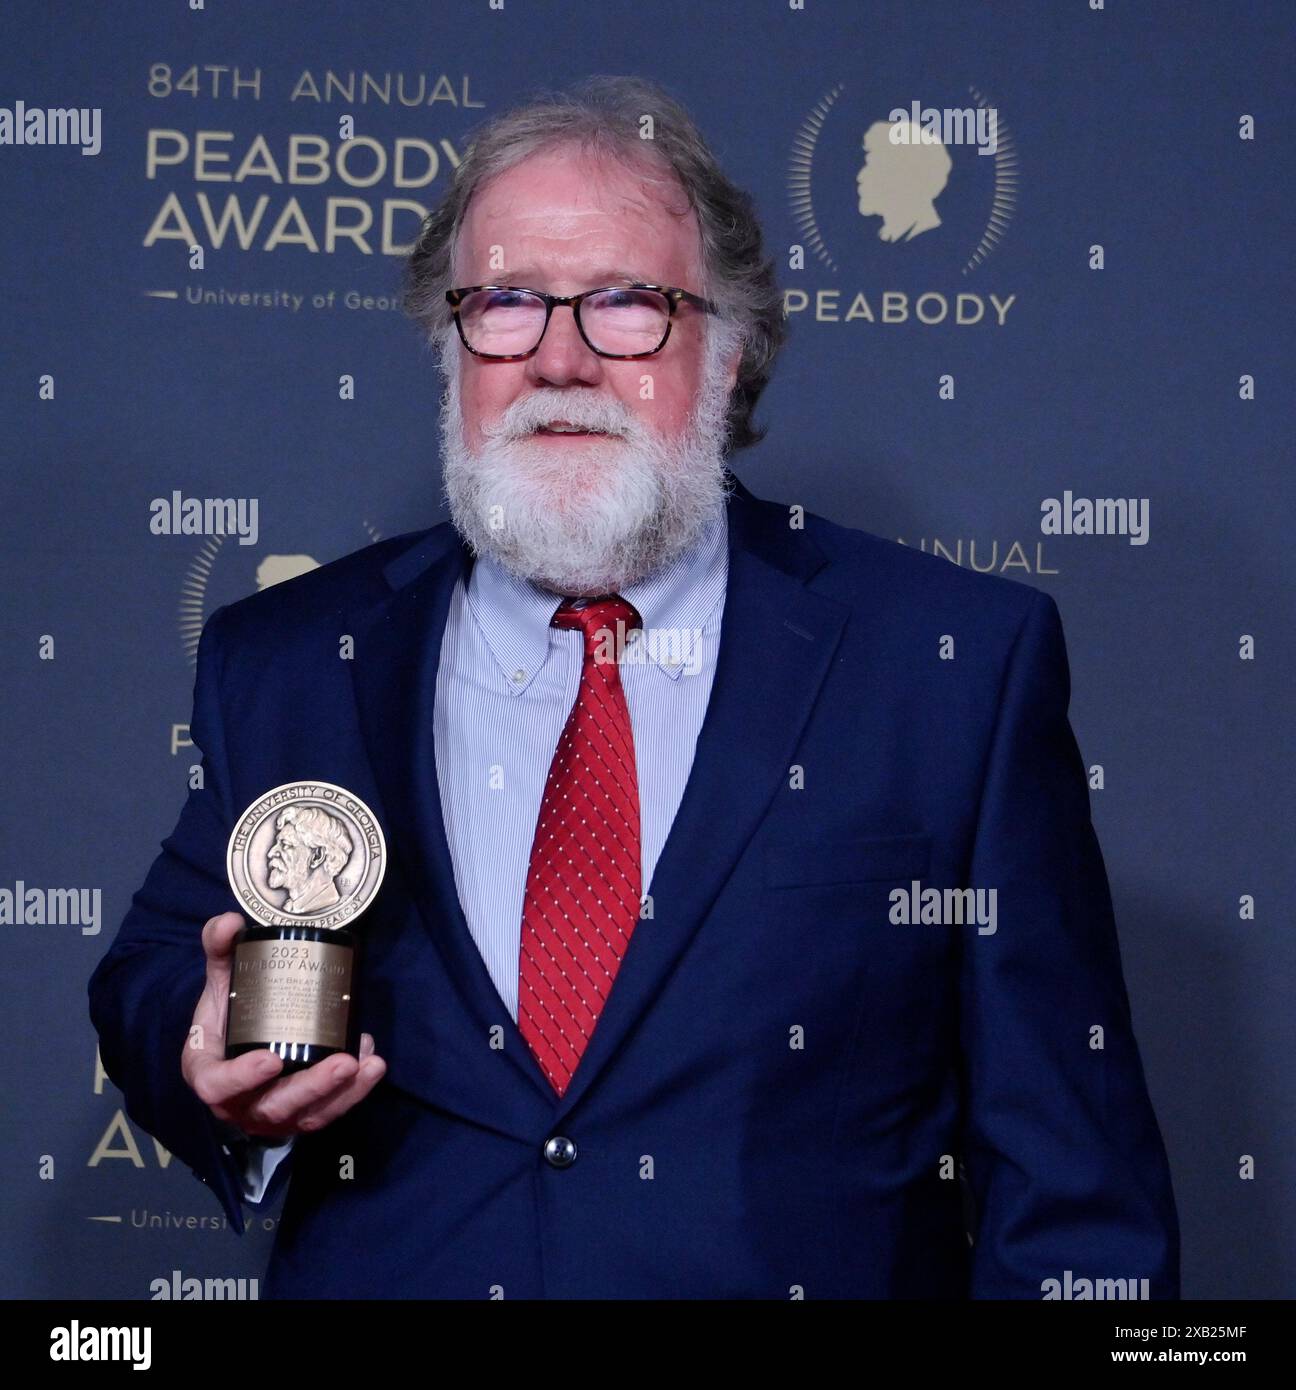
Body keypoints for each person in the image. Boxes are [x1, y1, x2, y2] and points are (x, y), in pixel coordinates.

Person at [89, 75, 1179, 1299]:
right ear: (449, 347)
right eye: (504, 302)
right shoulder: (289, 657)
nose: (559, 356)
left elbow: (1074, 1198)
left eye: (625, 306)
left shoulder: (950, 665)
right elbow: (156, 967)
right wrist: (203, 1054)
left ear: (731, 346)